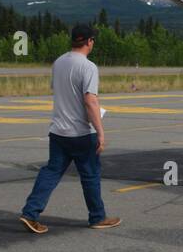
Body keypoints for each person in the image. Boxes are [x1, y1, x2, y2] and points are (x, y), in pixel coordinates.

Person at [19, 24, 121, 233]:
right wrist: (100, 132)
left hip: (58, 132)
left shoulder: (59, 62)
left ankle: (30, 212)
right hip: (81, 133)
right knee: (90, 175)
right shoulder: (88, 66)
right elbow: (90, 100)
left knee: (51, 172)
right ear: (89, 41)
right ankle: (97, 216)